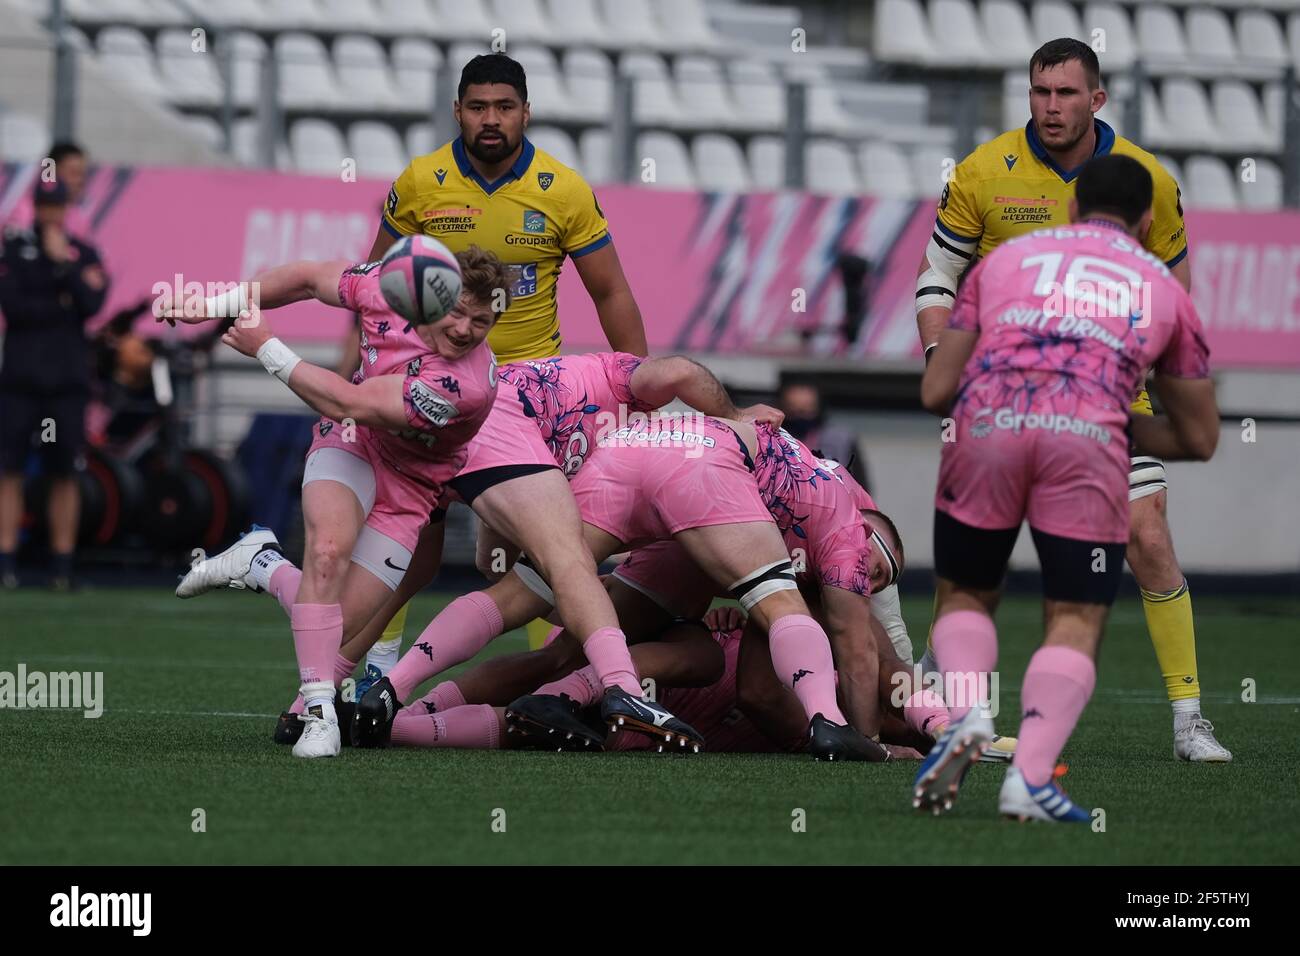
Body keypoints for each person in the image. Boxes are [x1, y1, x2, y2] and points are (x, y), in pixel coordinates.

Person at [913, 38, 1229, 763]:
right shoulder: (983, 172)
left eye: (1065, 93)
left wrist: (1133, 405)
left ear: (1097, 99)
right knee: (979, 572)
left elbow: (1174, 302)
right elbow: (937, 280)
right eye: (1039, 93)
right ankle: (957, 709)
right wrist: (944, 362)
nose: (1051, 107)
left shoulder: (1150, 179)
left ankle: (1189, 718)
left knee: (1146, 535)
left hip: (1104, 392)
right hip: (1002, 388)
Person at [171, 247, 505, 758]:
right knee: (327, 553)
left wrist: (266, 347)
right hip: (350, 442)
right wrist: (221, 301)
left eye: (481, 321)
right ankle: (322, 717)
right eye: (457, 312)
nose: (465, 329)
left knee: (335, 626)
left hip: (410, 487)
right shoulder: (386, 289)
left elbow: (348, 400)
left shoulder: (466, 386)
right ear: (429, 297)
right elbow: (306, 278)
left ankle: (261, 564)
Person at [367, 53, 646, 364]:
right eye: (477, 107)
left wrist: (639, 386)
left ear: (525, 113)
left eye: (505, 107)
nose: (490, 120)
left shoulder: (564, 190)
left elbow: (610, 293)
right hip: (437, 371)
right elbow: (376, 280)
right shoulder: (420, 181)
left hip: (531, 376)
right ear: (458, 112)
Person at [0, 178, 108, 590]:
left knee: (65, 470)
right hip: (20, 381)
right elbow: (15, 307)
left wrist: (62, 267)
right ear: (35, 206)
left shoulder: (81, 252)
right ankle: (6, 561)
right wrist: (60, 299)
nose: (51, 213)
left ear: (67, 207)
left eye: (57, 205)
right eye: (45, 205)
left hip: (66, 383)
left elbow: (92, 304)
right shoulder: (14, 248)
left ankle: (62, 565)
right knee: (9, 470)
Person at [777, 380, 868, 489]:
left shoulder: (840, 440)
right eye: (792, 408)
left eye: (807, 408)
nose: (800, 415)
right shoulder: (770, 440)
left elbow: (861, 487)